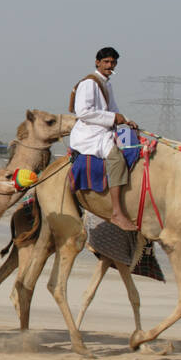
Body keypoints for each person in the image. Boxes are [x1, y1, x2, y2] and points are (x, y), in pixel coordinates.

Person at [70, 46, 140, 231]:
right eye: (106, 62)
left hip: (105, 129)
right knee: (117, 158)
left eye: (113, 62)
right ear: (97, 62)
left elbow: (113, 109)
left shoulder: (106, 84)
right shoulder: (89, 83)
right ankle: (117, 212)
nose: (110, 65)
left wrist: (125, 120)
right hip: (90, 134)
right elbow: (83, 112)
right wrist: (112, 118)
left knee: (134, 144)